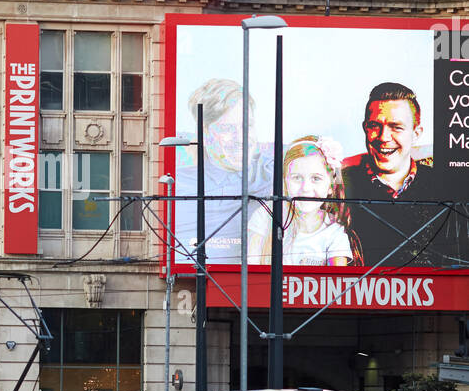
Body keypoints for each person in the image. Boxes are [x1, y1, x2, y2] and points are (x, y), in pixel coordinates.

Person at [342, 83, 443, 267]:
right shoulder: (341, 185)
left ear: (416, 133)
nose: (383, 137)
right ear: (365, 128)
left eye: (396, 127)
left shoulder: (442, 185)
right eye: (374, 126)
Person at [174, 78, 273, 262]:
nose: (240, 138)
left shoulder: (273, 172)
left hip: (259, 280)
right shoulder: (177, 184)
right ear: (204, 132)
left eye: (247, 126)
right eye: (228, 128)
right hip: (193, 281)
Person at [248, 137, 359, 267]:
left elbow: (336, 282)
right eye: (297, 178)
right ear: (285, 182)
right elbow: (250, 272)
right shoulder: (265, 216)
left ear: (330, 186)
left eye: (316, 178)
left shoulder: (334, 233)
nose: (305, 188)